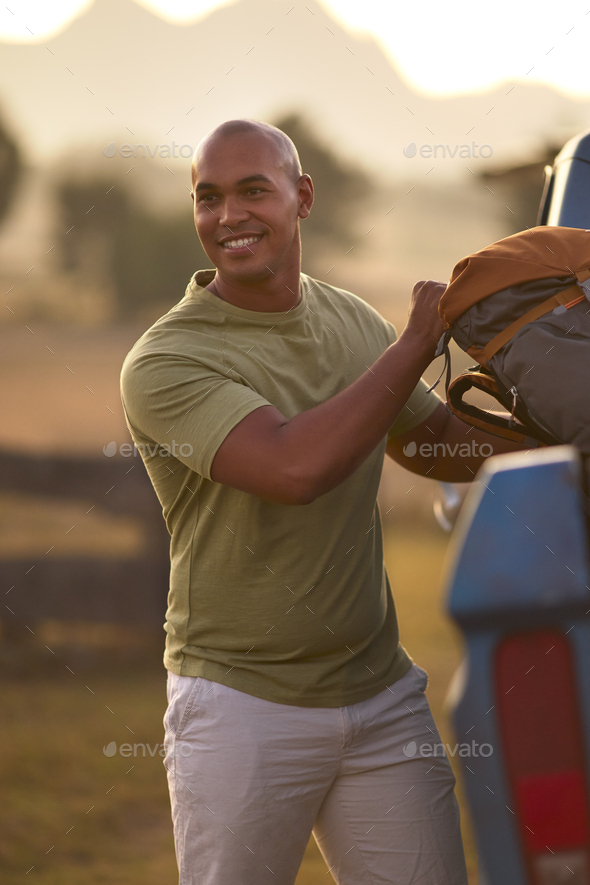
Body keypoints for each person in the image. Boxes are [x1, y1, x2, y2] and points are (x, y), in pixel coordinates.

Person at [120, 119, 522, 885]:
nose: (228, 214)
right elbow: (295, 467)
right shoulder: (167, 359)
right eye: (208, 197)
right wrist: (413, 346)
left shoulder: (348, 321)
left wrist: (566, 447)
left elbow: (437, 440)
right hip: (241, 705)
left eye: (252, 190)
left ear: (301, 197)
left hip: (379, 696)